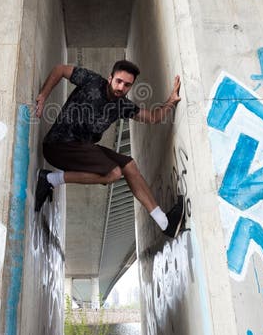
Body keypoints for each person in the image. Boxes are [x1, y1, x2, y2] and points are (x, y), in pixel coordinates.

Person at [34, 60, 185, 238]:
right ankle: (49, 179)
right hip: (57, 146)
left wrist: (171, 101)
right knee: (114, 173)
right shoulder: (91, 80)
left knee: (129, 165)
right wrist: (43, 96)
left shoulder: (122, 105)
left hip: (82, 149)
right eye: (119, 81)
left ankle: (165, 223)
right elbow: (60, 70)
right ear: (110, 78)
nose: (121, 87)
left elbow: (153, 117)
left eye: (127, 85)